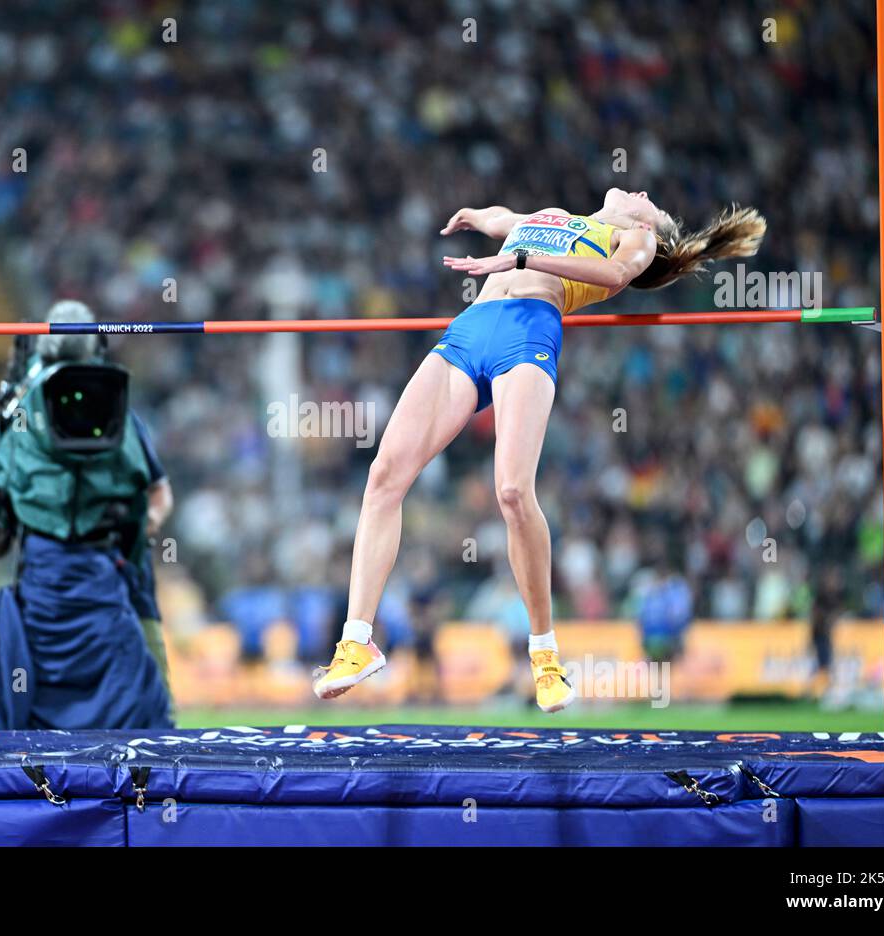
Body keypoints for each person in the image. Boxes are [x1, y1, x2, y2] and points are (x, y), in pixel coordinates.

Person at [312, 189, 766, 711]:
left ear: (651, 224)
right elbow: (509, 220)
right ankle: (357, 641)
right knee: (384, 475)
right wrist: (480, 218)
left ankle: (545, 654)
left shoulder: (635, 236)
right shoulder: (555, 216)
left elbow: (617, 275)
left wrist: (521, 257)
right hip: (470, 331)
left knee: (511, 491)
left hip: (528, 333)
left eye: (652, 201)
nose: (642, 193)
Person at [0, 301, 175, 730]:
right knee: (142, 720)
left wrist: (144, 525)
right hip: (49, 597)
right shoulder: (24, 421)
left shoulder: (115, 417)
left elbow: (159, 492)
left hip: (100, 590)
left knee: (144, 717)